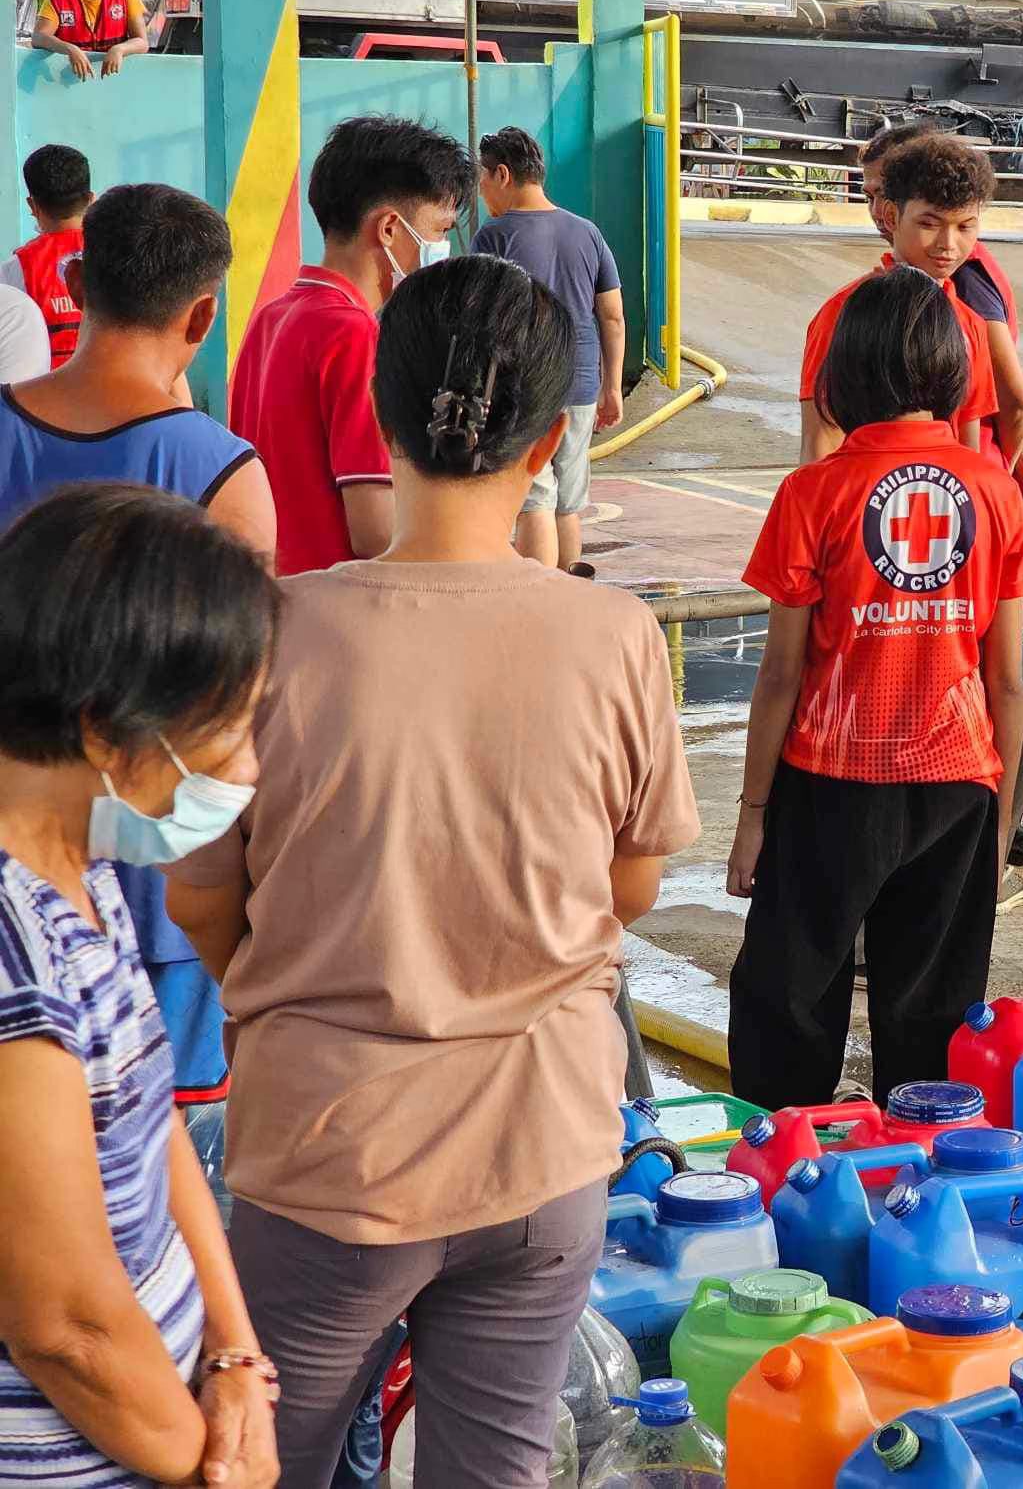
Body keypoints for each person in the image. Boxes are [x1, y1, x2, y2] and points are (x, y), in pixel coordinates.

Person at [164, 255, 699, 1486]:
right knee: (496, 1459)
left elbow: (200, 894)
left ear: (382, 421)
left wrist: (301, 973)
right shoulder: (613, 634)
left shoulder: (272, 631)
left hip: (328, 1148)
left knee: (267, 1459)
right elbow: (628, 890)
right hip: (546, 1148)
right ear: (550, 440)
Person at [0, 483, 279, 1489]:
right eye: (225, 731)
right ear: (105, 734)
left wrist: (235, 1358)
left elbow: (148, 1117)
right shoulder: (12, 955)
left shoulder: (80, 864)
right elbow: (64, 1328)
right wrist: (208, 1465)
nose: (245, 766)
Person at [728, 265, 1023, 1108]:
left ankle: (782, 1178)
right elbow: (1008, 682)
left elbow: (782, 671)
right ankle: (922, 1191)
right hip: (958, 786)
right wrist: (999, 815)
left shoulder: (812, 493)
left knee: (786, 1002)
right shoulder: (995, 492)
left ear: (841, 379)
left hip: (830, 783)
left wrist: (754, 815)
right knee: (934, 1017)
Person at [0, 182, 275, 1114]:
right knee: (156, 1148)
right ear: (203, 312)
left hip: (16, 864)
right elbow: (239, 716)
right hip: (163, 906)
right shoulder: (222, 472)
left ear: (76, 279)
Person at [232, 115, 474, 576]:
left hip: (273, 601)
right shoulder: (355, 334)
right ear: (388, 229)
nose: (443, 246)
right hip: (337, 613)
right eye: (441, 231)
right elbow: (376, 533)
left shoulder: (272, 317)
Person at [857, 121, 1023, 527]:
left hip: (939, 490)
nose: (878, 210)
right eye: (872, 196)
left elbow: (1010, 400)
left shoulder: (957, 279)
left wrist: (1004, 467)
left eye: (884, 192)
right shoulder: (914, 282)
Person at [475, 125, 627, 572]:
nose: (480, 190)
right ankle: (572, 597)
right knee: (569, 498)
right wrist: (612, 386)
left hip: (526, 385)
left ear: (502, 175)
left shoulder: (495, 236)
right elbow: (613, 316)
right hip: (581, 385)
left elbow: (482, 320)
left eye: (481, 179)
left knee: (534, 495)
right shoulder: (588, 233)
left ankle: (538, 600)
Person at [802, 135, 1000, 467]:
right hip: (863, 508)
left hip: (938, 510)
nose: (948, 244)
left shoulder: (970, 324)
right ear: (892, 217)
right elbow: (819, 439)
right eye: (928, 224)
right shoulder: (845, 312)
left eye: (965, 227)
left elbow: (968, 450)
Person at [4, 143, 91, 366]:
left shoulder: (14, 270)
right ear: (91, 199)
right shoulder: (122, 254)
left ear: (32, 206)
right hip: (120, 394)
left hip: (42, 396)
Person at [30, 0, 147, 79]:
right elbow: (38, 37)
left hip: (113, 81)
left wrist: (119, 50)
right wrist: (70, 49)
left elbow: (142, 42)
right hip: (68, 81)